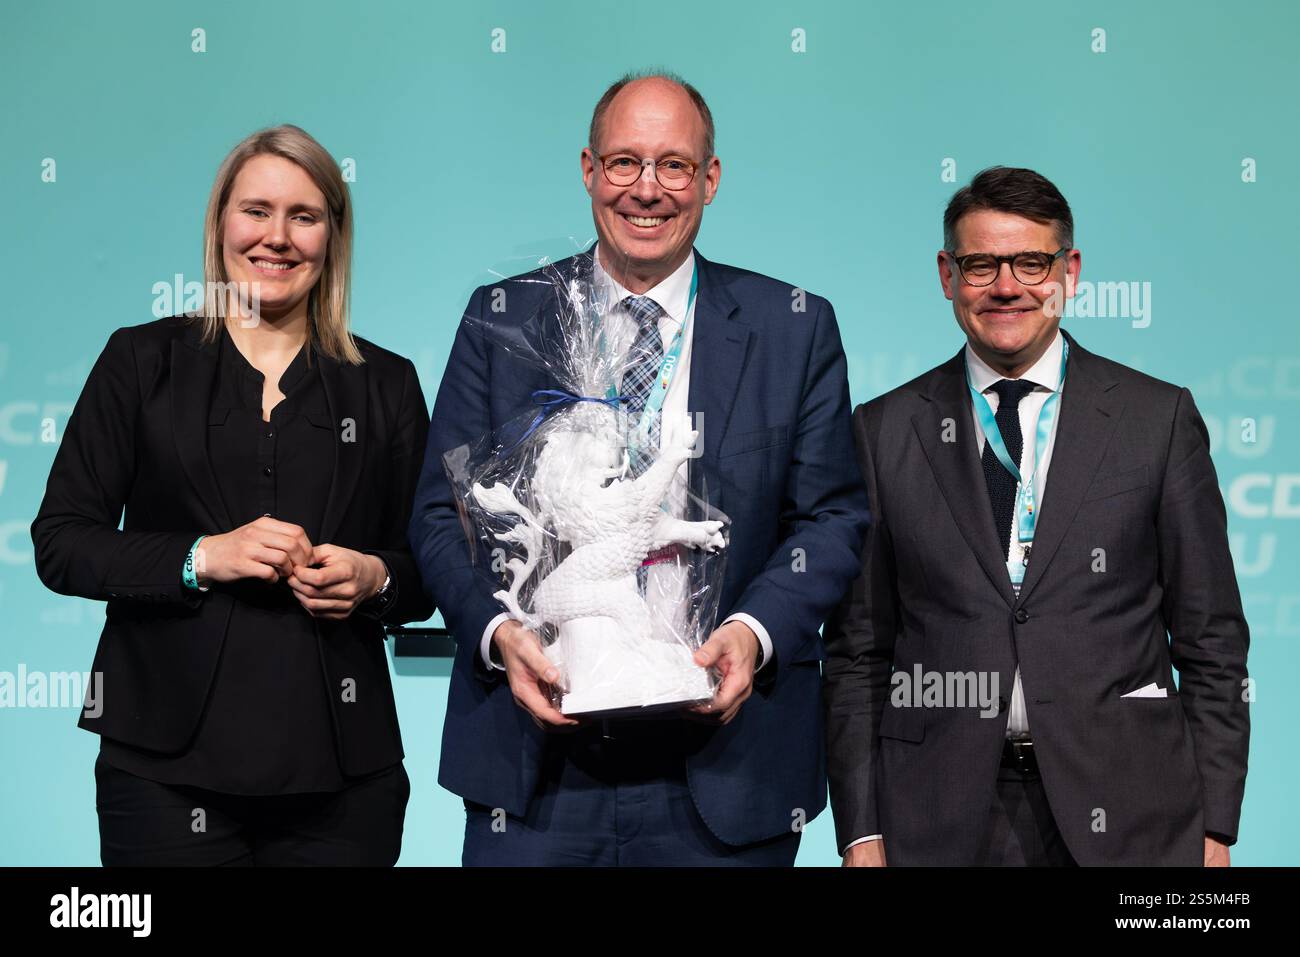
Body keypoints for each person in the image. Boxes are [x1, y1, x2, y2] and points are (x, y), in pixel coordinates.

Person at [410, 72, 869, 865]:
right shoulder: (502, 318)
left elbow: (830, 518)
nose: (646, 190)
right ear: (588, 169)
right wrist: (498, 633)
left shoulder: (792, 326)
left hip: (727, 769)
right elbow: (436, 515)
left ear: (711, 179)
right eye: (624, 163)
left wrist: (752, 634)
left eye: (674, 165)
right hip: (535, 767)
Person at [823, 166, 1250, 866]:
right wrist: (861, 830)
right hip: (937, 819)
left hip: (1137, 816)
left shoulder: (1156, 419)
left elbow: (1212, 639)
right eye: (981, 263)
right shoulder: (884, 429)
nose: (1006, 285)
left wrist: (1216, 825)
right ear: (947, 274)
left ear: (1069, 270)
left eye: (1031, 262)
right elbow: (858, 653)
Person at [31, 124, 432, 866]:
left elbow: (424, 573)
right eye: (256, 210)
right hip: (160, 773)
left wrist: (373, 577)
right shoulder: (139, 361)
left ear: (332, 236)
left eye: (303, 216)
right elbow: (61, 541)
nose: (276, 237)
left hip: (344, 783)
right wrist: (201, 556)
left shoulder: (386, 383)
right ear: (220, 223)